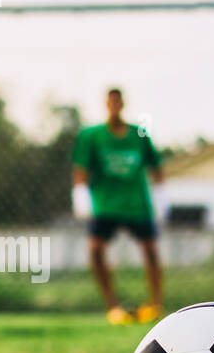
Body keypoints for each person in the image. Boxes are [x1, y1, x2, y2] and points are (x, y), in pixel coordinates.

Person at [71, 88, 167, 325]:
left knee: (151, 251)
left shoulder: (140, 135)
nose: (114, 105)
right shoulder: (91, 135)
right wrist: (80, 194)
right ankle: (113, 306)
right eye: (110, 101)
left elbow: (156, 167)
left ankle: (155, 305)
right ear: (106, 104)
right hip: (105, 205)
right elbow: (80, 169)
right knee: (95, 250)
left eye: (118, 101)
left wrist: (161, 196)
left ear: (123, 104)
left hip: (137, 204)